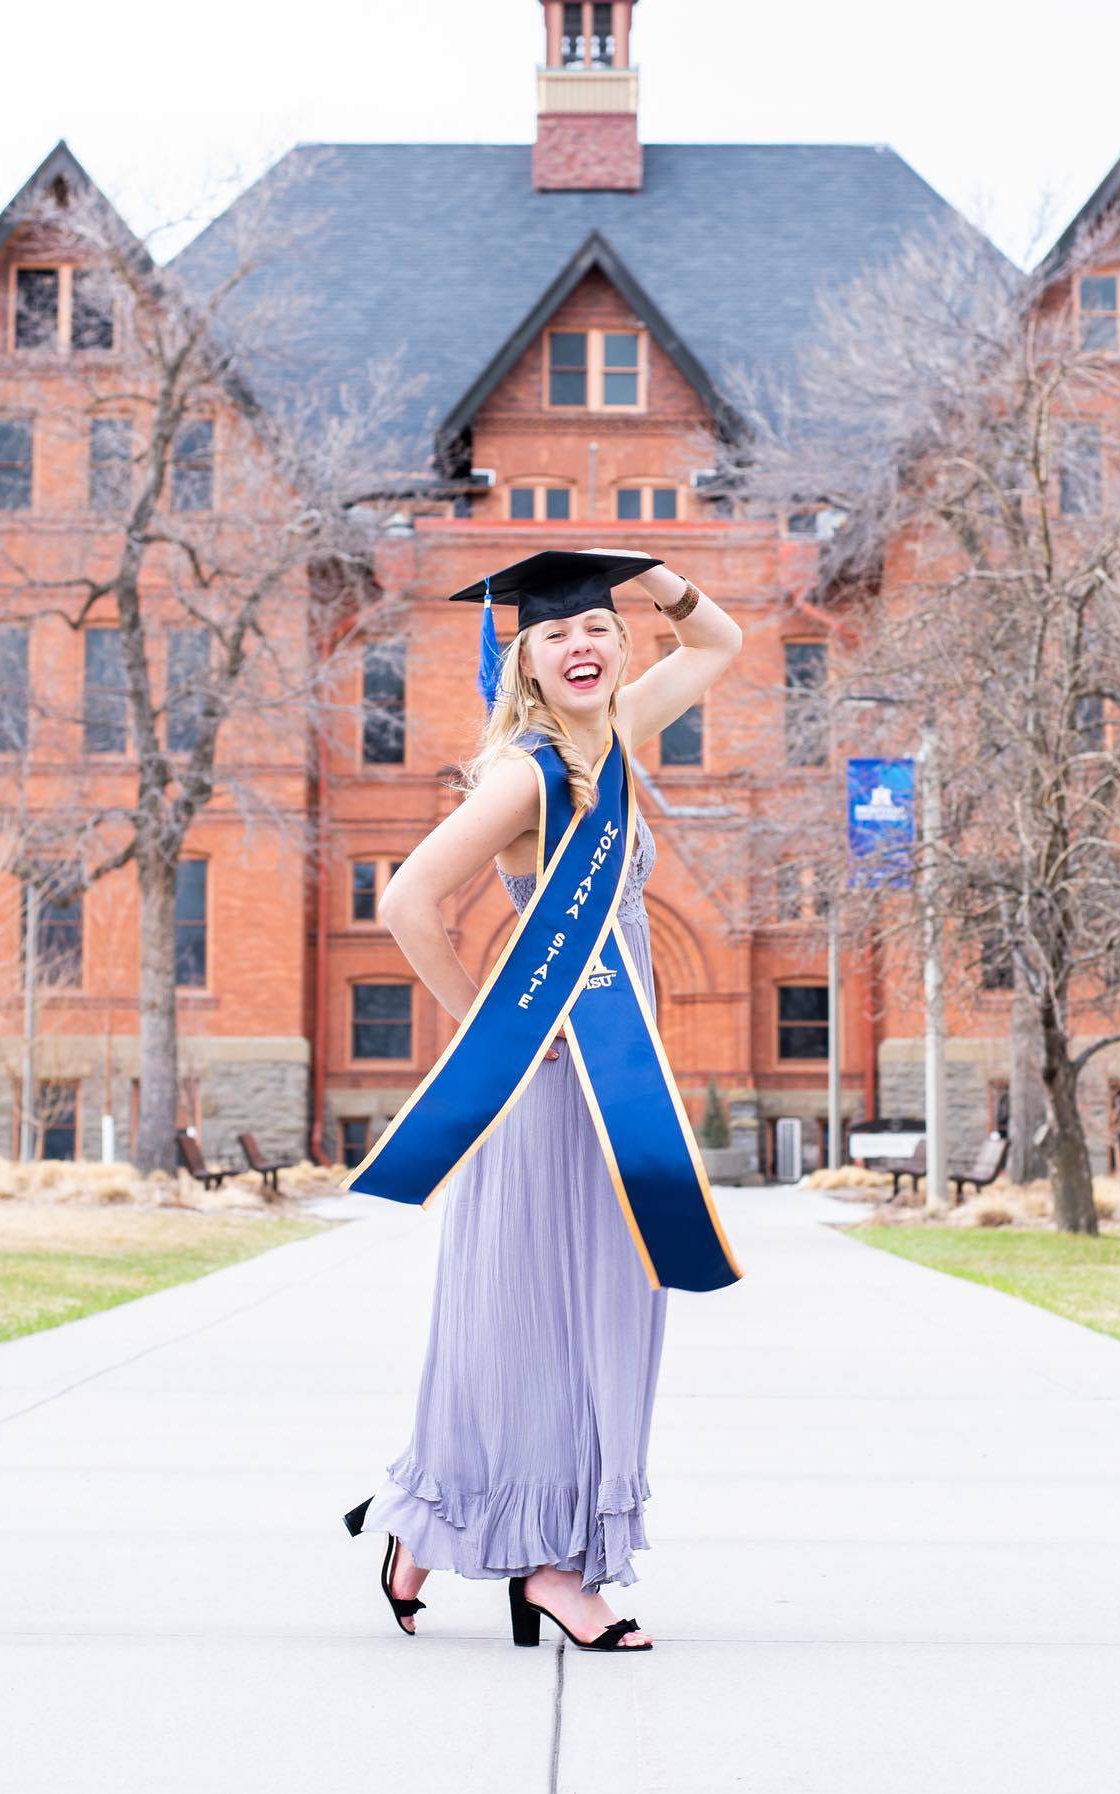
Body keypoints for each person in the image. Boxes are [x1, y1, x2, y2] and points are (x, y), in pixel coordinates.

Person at [343, 549, 743, 1652]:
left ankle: (423, 1525)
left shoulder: (609, 739)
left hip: (619, 1082)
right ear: (524, 659)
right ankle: (555, 1571)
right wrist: (493, 1023)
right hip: (555, 1084)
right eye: (558, 634)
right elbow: (410, 898)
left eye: (600, 629)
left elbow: (719, 645)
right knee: (543, 1322)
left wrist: (655, 575)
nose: (583, 644)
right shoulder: (528, 774)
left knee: (582, 1313)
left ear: (618, 651)